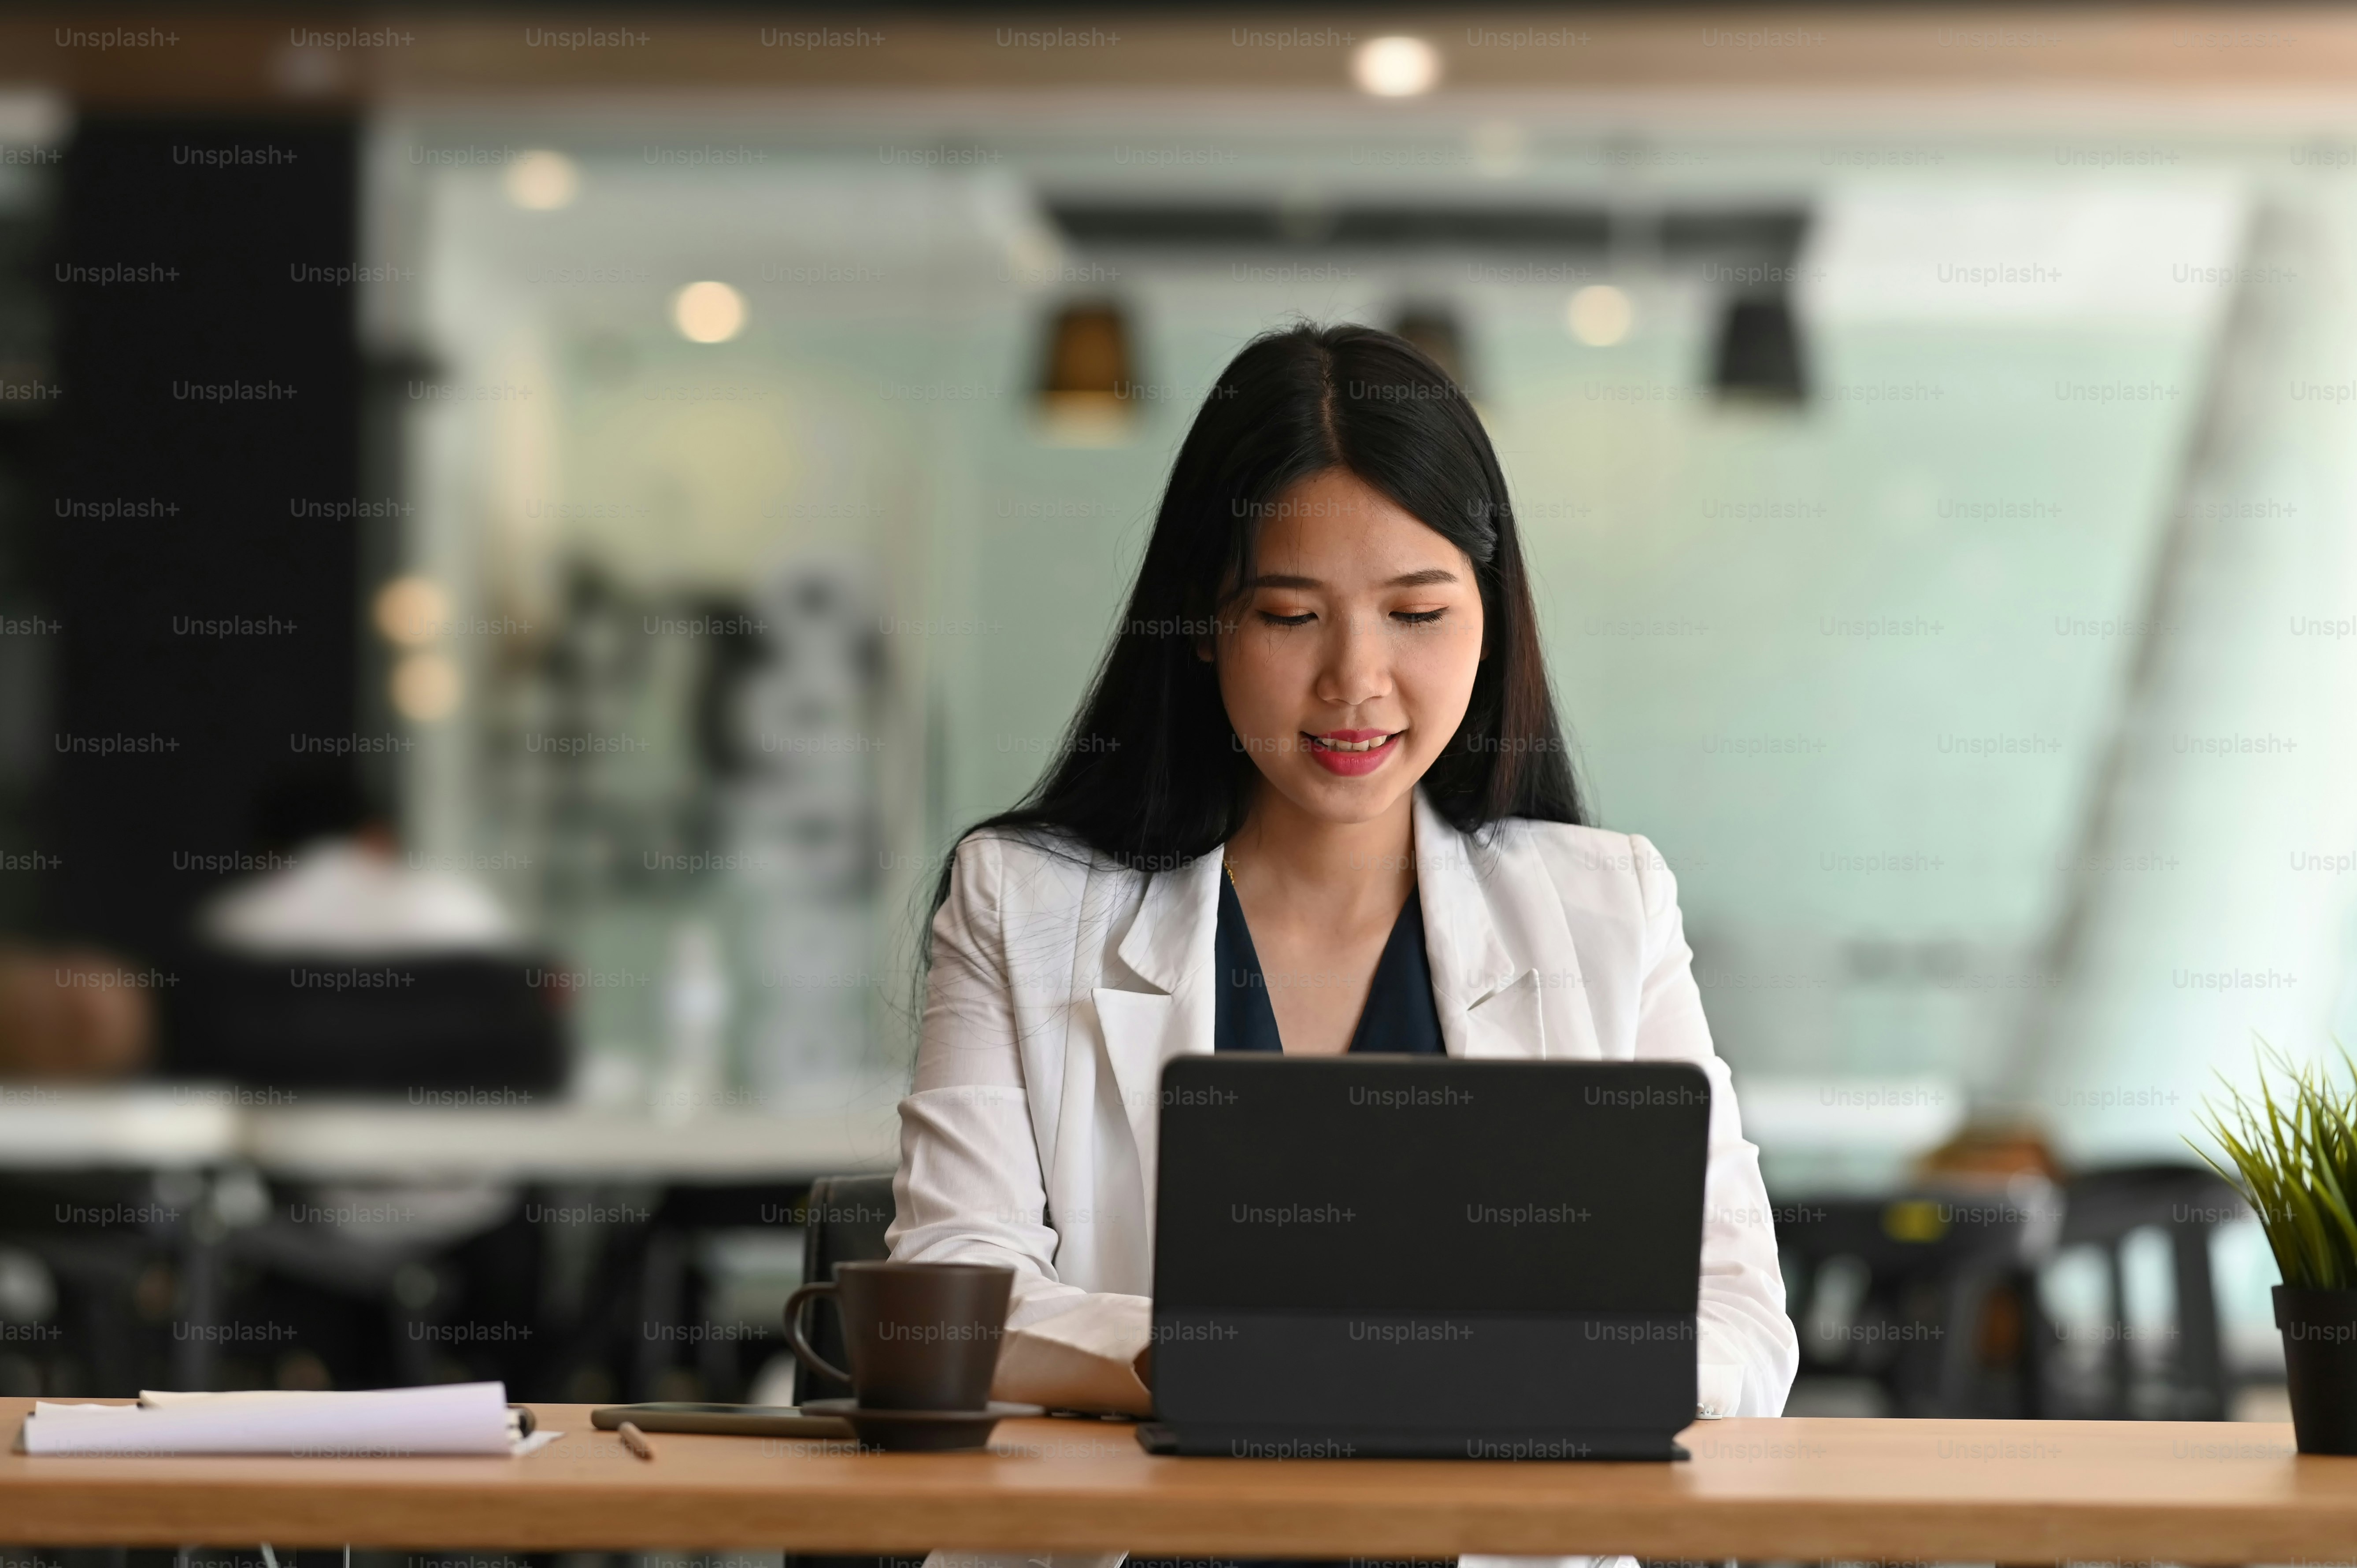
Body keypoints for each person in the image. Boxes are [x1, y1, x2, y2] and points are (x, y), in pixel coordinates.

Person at [890, 325, 1797, 1547]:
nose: (1356, 680)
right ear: (1205, 625)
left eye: (1417, 613)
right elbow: (952, 1298)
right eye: (1289, 615)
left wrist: (1505, 1375)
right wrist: (1230, 1357)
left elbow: (1739, 1320)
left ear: (1492, 618)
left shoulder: (1607, 906)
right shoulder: (1019, 902)